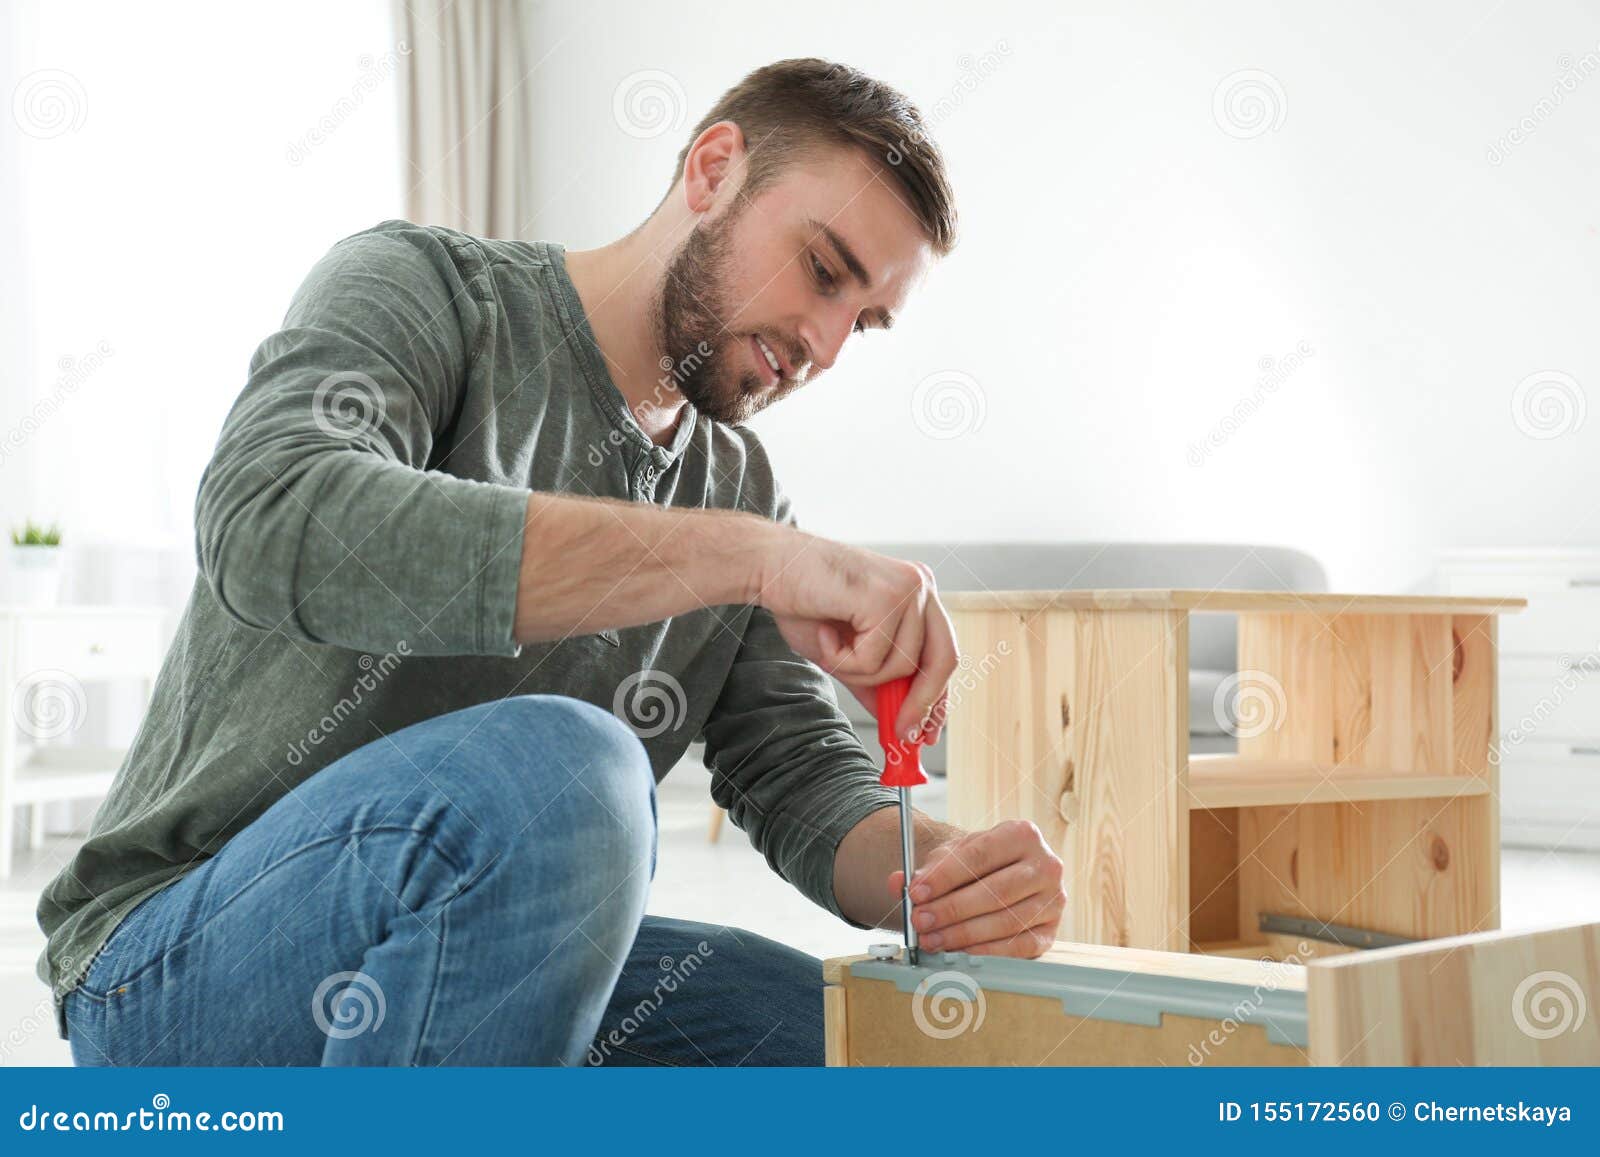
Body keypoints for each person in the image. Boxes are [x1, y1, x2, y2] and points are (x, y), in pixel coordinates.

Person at [38, 57, 1065, 1067]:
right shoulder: (427, 291)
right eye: (823, 271)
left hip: (463, 943)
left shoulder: (739, 492)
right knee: (569, 771)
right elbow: (272, 515)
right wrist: (748, 558)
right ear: (712, 172)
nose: (828, 344)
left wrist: (945, 877)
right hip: (175, 959)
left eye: (865, 320)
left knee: (835, 1043)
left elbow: (799, 775)